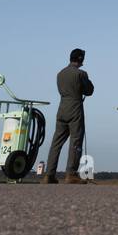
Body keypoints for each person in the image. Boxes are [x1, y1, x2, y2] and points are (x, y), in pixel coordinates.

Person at [43, 48, 94, 184]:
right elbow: (89, 91)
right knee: (75, 141)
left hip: (61, 109)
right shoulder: (81, 73)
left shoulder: (60, 74)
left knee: (56, 143)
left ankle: (49, 174)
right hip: (75, 108)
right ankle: (71, 174)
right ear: (80, 59)